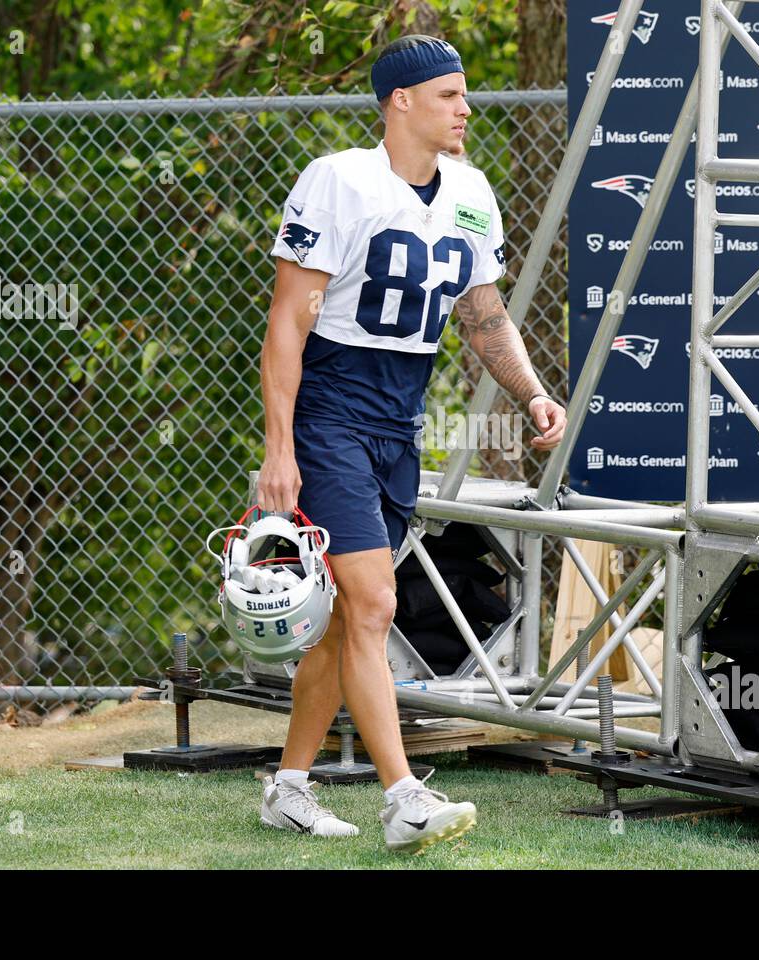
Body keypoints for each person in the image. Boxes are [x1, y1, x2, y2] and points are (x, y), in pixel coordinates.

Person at [255, 34, 567, 853]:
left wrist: (530, 391)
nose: (466, 108)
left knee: (338, 623)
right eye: (449, 95)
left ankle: (289, 788)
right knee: (374, 605)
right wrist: (279, 447)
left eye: (465, 95)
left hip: (400, 416)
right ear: (401, 101)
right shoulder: (340, 180)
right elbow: (288, 321)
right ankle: (403, 798)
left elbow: (483, 313)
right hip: (332, 408)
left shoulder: (469, 192)